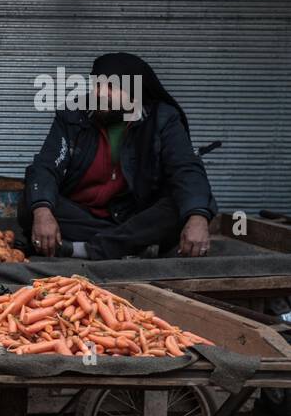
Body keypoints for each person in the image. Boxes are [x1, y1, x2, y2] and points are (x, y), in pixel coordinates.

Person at [21, 52, 217, 260]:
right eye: (96, 85)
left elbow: (185, 168)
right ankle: (130, 247)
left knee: (182, 207)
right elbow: (46, 166)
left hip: (134, 219)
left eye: (111, 88)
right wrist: (42, 212)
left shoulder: (161, 119)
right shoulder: (73, 114)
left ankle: (87, 250)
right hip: (83, 217)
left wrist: (197, 216)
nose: (99, 93)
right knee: (32, 203)